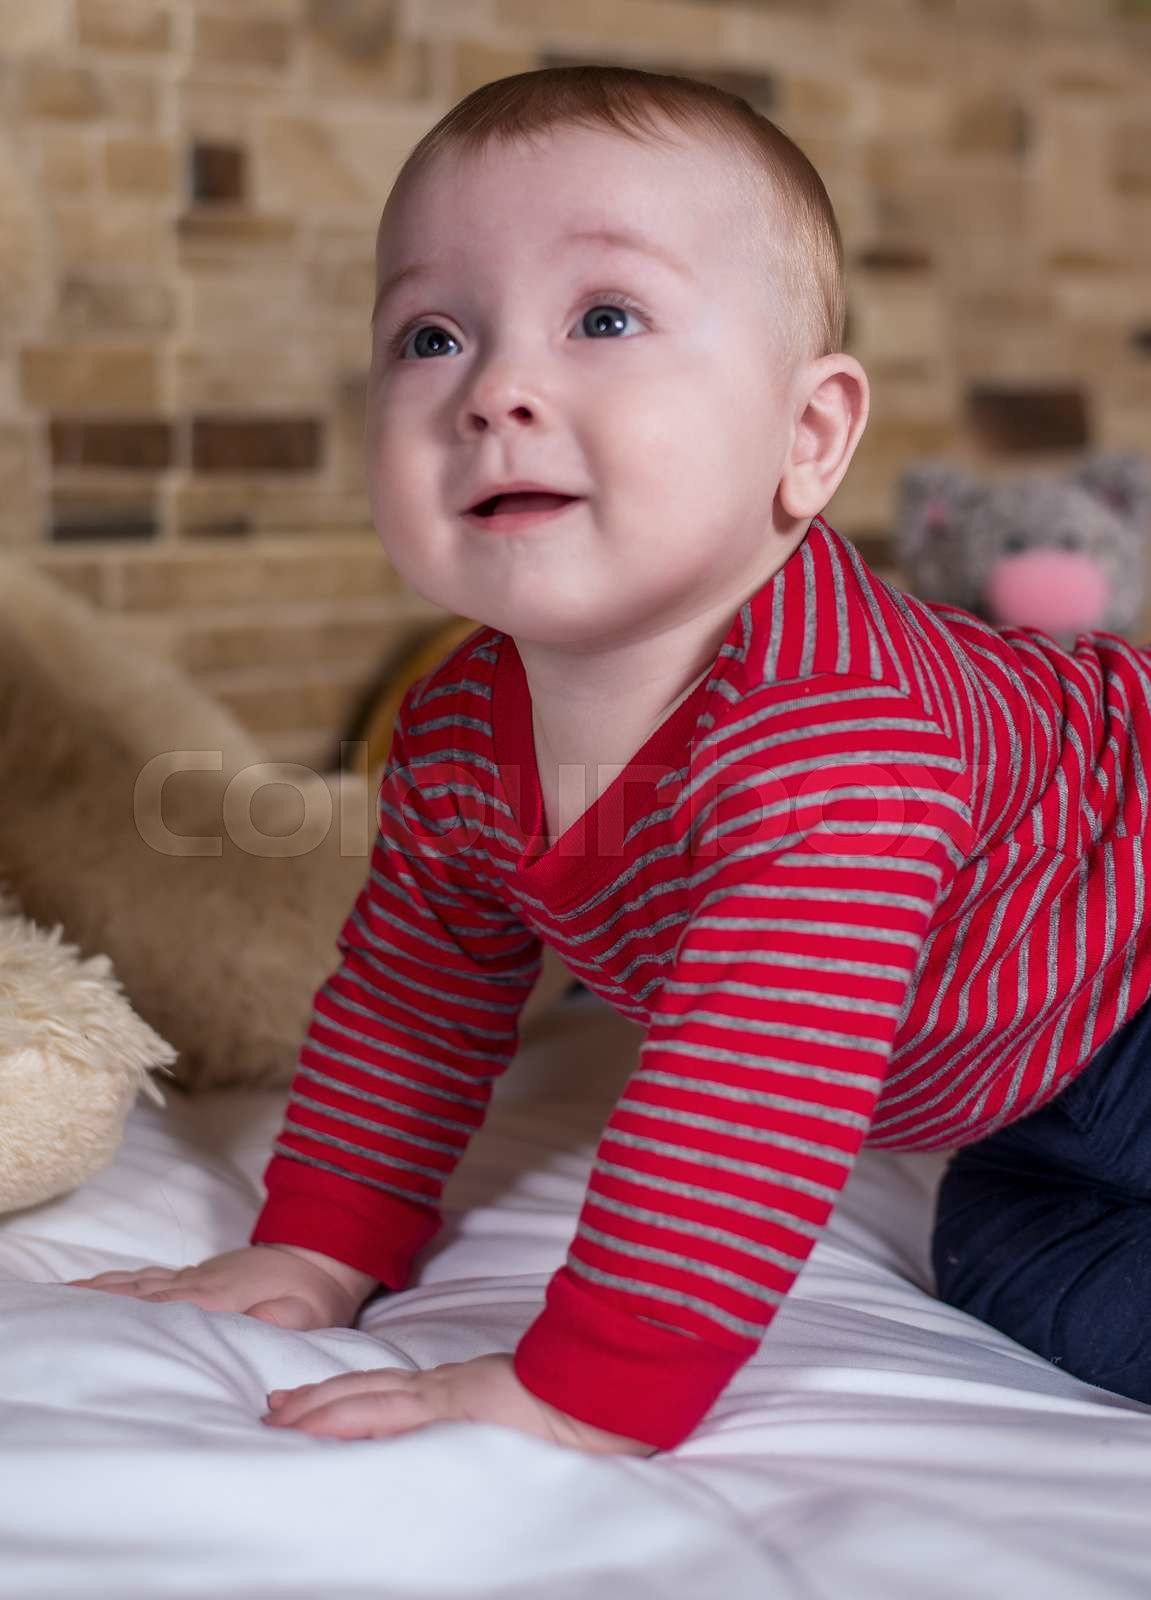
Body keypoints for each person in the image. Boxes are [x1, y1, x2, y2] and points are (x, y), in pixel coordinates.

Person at [60, 65, 1151, 1456]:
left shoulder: (838, 730)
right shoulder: (461, 733)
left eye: (607, 317)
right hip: (1035, 1088)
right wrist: (318, 1248)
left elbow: (750, 1083)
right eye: (432, 335)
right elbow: (412, 1003)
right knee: (1009, 1265)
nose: (498, 388)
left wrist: (587, 1383)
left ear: (806, 439)